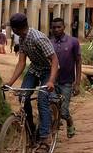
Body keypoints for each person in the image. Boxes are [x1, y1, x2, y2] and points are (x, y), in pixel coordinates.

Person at [4, 12, 57, 144]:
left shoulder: (38, 38)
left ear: (16, 29)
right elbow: (21, 62)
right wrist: (10, 82)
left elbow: (55, 60)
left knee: (42, 100)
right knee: (23, 96)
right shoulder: (22, 38)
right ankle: (31, 132)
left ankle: (45, 137)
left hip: (48, 70)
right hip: (35, 69)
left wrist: (51, 80)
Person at [49, 15, 81, 139]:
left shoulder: (73, 42)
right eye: (54, 27)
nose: (56, 29)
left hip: (67, 82)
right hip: (52, 81)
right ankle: (51, 134)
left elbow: (78, 62)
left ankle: (69, 121)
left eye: (59, 27)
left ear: (64, 27)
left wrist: (77, 83)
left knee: (63, 111)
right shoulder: (49, 42)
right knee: (50, 107)